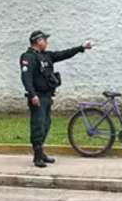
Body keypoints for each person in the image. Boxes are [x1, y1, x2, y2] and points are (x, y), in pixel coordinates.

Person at [20, 30, 94, 168]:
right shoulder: (28, 57)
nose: (47, 42)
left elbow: (63, 54)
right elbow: (26, 77)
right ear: (38, 41)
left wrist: (81, 48)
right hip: (37, 97)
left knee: (46, 124)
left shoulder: (45, 56)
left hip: (47, 96)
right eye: (45, 40)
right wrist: (32, 94)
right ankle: (37, 157)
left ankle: (41, 152)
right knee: (38, 125)